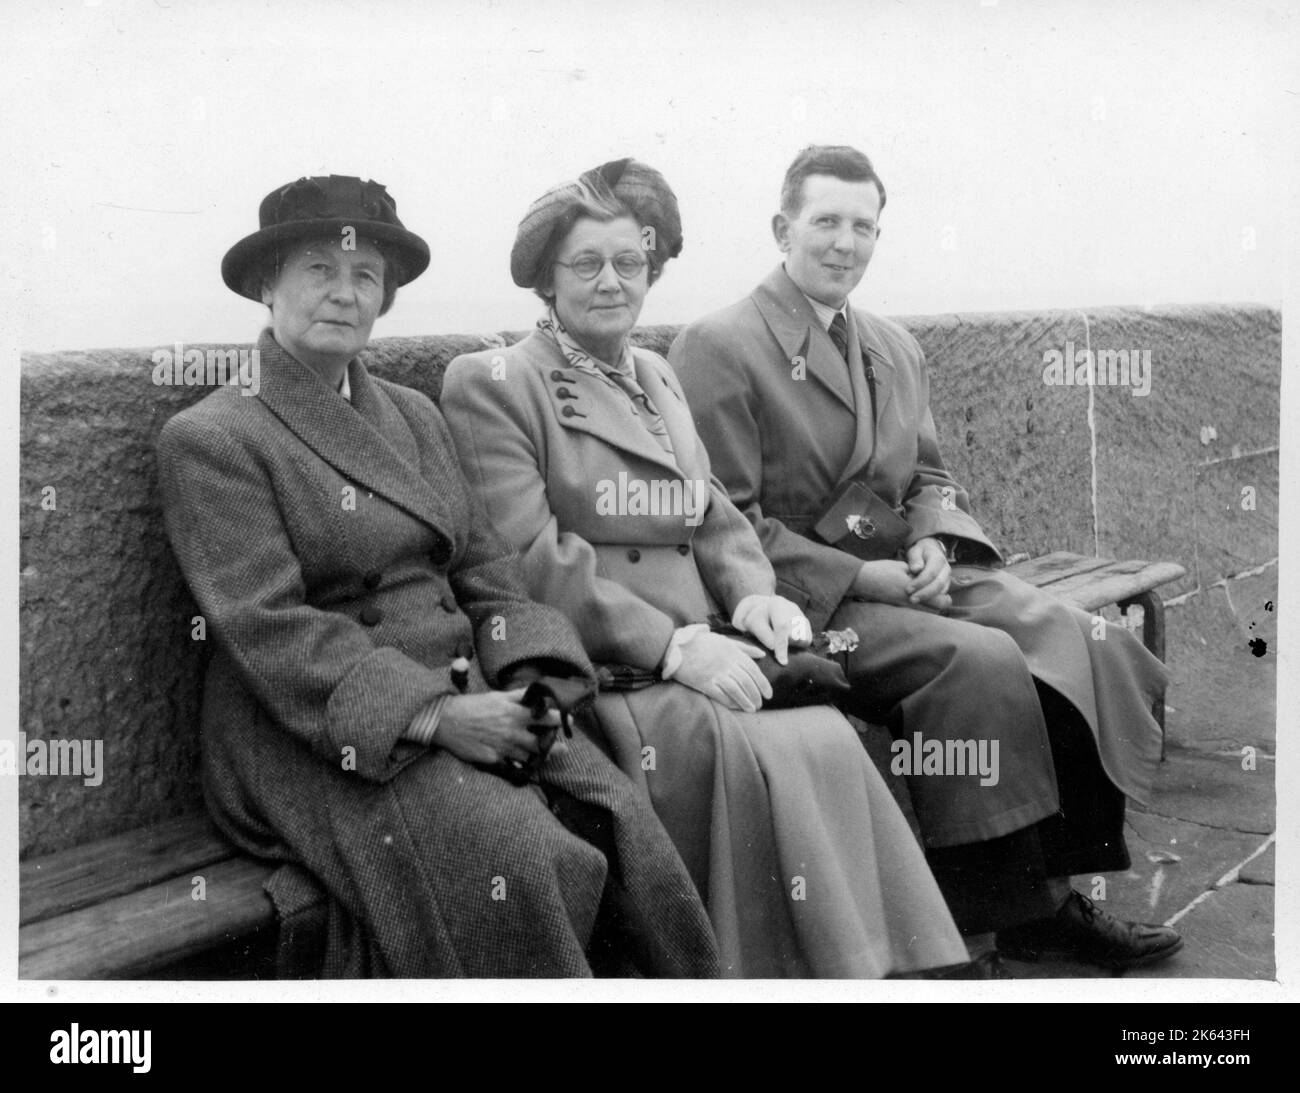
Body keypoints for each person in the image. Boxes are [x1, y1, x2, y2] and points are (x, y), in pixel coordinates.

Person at [156, 173, 719, 977]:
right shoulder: (212, 436)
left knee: (618, 817)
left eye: (365, 277)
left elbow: (486, 565)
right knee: (514, 854)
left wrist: (534, 682)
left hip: (465, 686)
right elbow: (267, 627)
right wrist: (436, 718)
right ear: (265, 283)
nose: (344, 293)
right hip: (315, 723)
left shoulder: (412, 415)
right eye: (319, 270)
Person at [440, 158, 970, 978]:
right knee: (752, 746)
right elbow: (532, 561)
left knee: (824, 733)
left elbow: (714, 508)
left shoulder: (653, 373)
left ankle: (871, 968)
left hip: (708, 640)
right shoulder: (497, 382)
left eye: (632, 262)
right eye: (587, 264)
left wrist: (757, 597)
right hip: (612, 668)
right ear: (545, 279)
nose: (612, 282)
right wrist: (676, 647)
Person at [670, 144, 1184, 971]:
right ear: (782, 228)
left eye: (863, 226)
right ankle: (987, 918)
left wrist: (932, 542)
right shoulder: (719, 344)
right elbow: (722, 520)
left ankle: (1050, 893)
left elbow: (930, 474)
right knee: (978, 662)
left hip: (905, 577)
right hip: (805, 607)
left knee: (1085, 642)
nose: (845, 242)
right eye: (825, 221)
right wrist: (860, 575)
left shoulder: (893, 347)